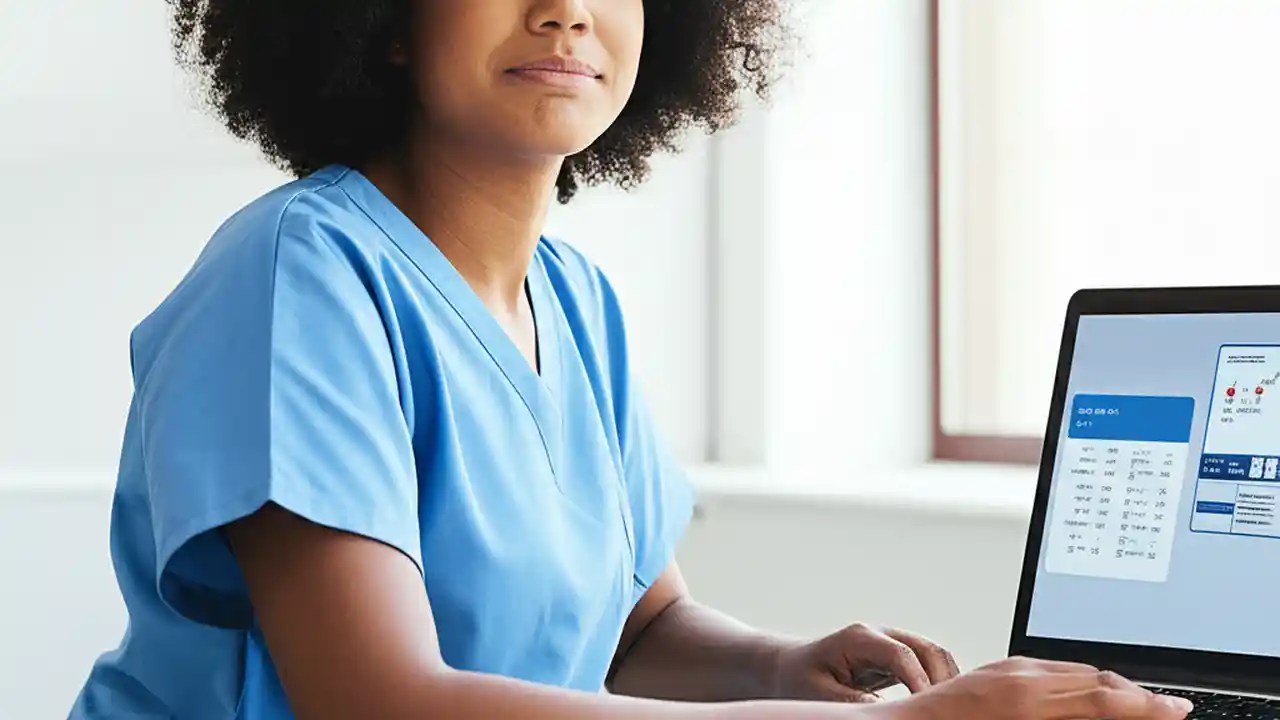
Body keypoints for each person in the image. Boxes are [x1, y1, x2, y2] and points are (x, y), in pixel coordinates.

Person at [70, 1, 1195, 718]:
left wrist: (772, 663)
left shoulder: (575, 300)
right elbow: (378, 699)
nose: (563, 12)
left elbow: (635, 626)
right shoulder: (298, 274)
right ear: (392, 19)